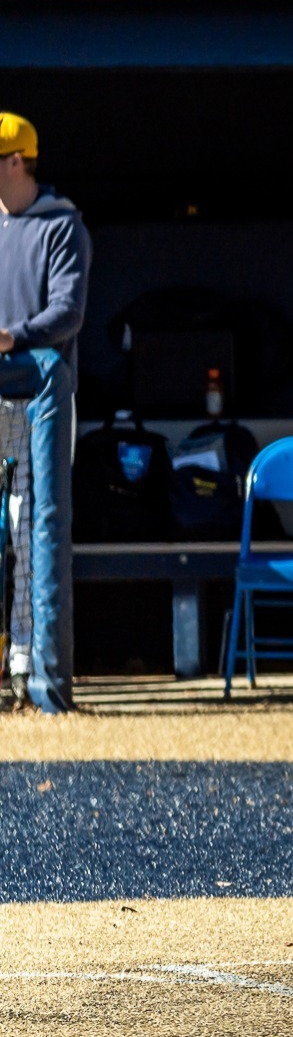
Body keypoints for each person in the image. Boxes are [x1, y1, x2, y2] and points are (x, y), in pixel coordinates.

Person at [0, 112, 85, 713]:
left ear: (15, 162)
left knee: (34, 526)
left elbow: (68, 313)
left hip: (40, 396)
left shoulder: (62, 223)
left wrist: (13, 336)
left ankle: (35, 678)